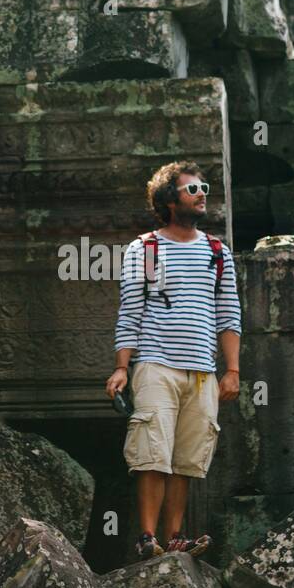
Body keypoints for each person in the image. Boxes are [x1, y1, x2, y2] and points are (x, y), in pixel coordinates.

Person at [106, 161, 242, 561]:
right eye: (193, 189)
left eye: (205, 187)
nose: (202, 194)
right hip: (155, 364)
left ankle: (175, 536)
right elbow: (130, 311)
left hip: (202, 370)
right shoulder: (145, 249)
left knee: (185, 460)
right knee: (152, 453)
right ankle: (148, 537)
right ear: (168, 200)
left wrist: (231, 370)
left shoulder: (217, 252)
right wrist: (121, 367)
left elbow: (229, 313)